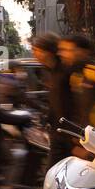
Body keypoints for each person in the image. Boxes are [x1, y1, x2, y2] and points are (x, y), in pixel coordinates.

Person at [31, 33, 72, 167]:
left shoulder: (65, 72)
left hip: (68, 133)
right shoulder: (49, 71)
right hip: (58, 130)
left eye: (37, 50)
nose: (34, 54)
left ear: (48, 52)